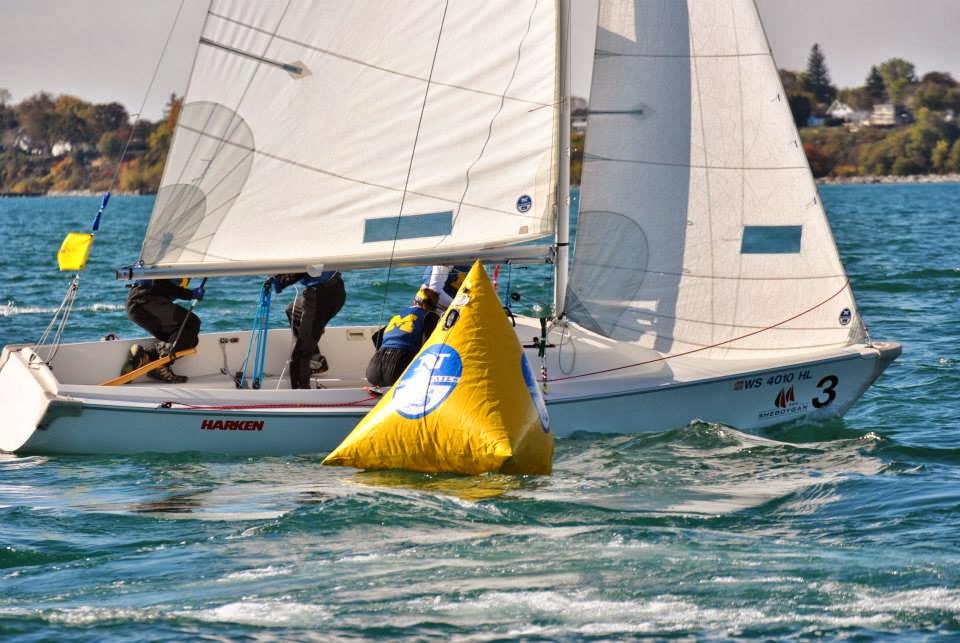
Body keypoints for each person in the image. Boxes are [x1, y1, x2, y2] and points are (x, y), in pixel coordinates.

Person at [268, 270, 346, 389]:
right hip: (327, 291)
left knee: (300, 355)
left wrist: (279, 281)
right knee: (293, 310)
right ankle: (316, 360)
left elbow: (300, 270)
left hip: (323, 294)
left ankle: (302, 396)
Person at [123, 278, 205, 383]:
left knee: (190, 339)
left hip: (140, 305)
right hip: (144, 302)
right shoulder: (172, 264)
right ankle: (162, 366)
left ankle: (146, 356)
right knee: (192, 322)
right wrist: (190, 294)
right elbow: (160, 284)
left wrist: (190, 294)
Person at [365, 287, 439, 388]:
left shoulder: (400, 314)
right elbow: (433, 346)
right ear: (433, 306)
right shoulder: (430, 316)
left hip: (373, 371)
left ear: (414, 301)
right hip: (397, 369)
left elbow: (376, 336)